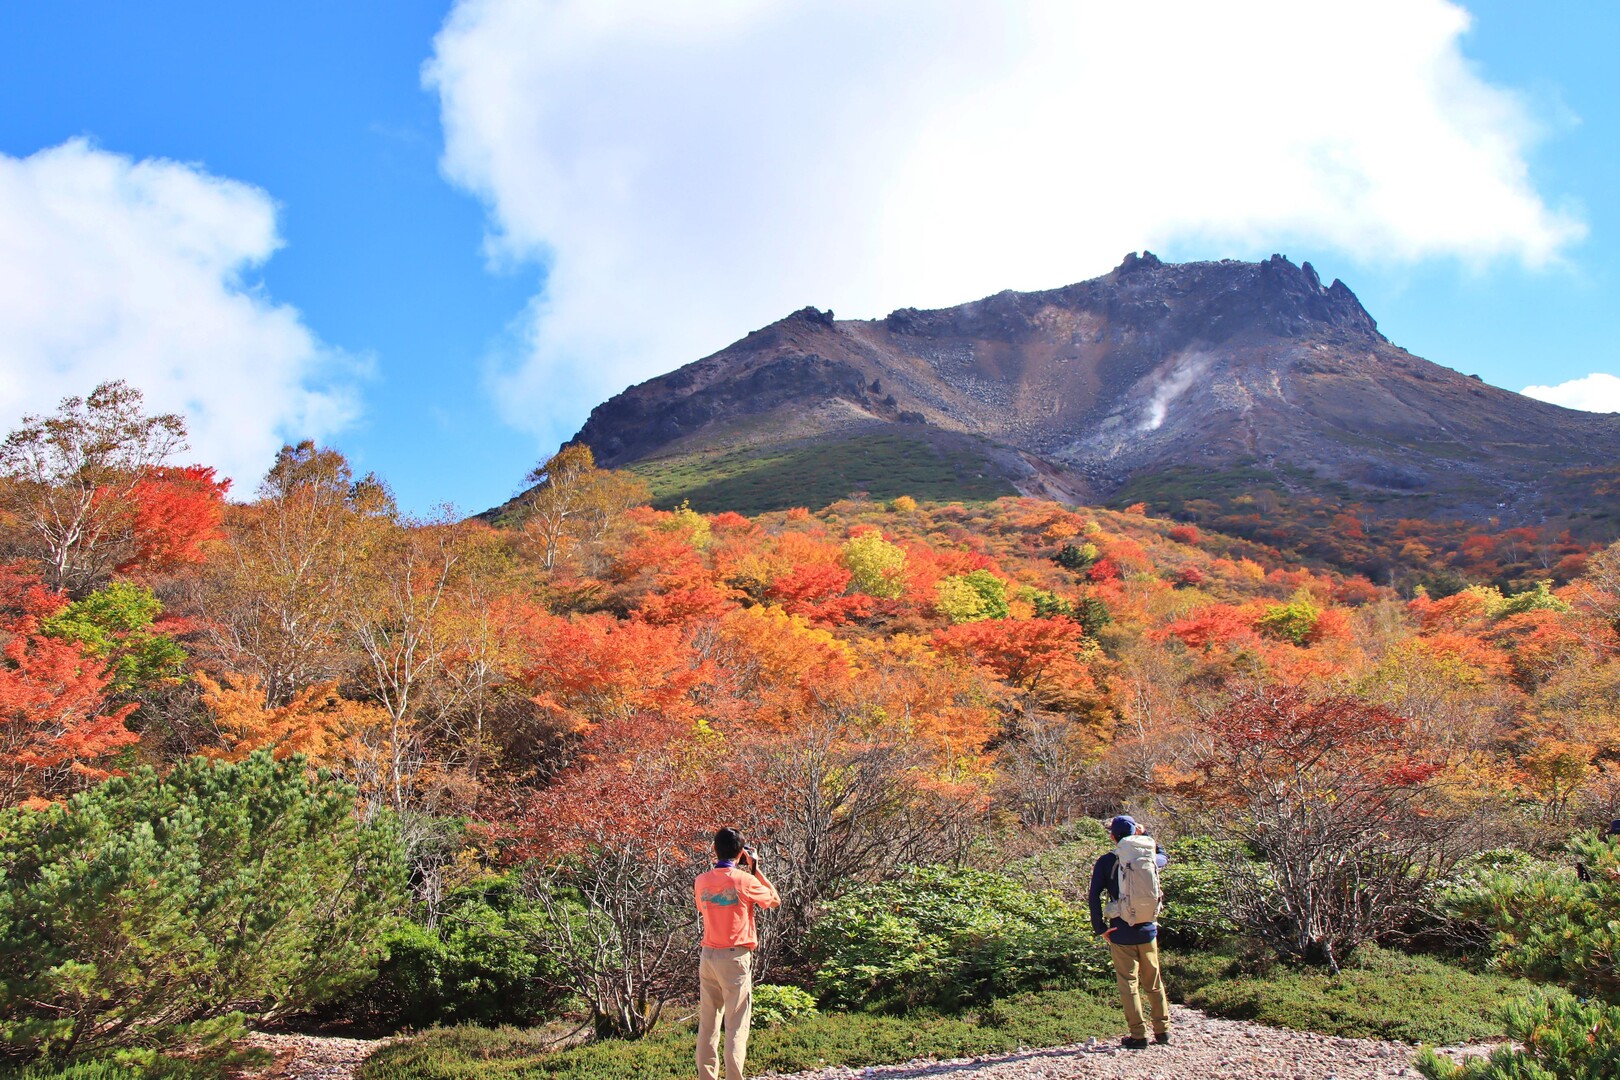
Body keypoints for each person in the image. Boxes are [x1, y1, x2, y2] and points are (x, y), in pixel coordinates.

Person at [694, 827, 781, 1080]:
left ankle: (707, 1077)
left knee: (708, 1023)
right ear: (741, 853)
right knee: (736, 1025)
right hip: (734, 957)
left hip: (708, 954)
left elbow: (703, 908)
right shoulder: (745, 880)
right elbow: (774, 899)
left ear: (714, 849)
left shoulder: (701, 880)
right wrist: (755, 869)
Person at [1089, 815, 1171, 1049]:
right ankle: (1162, 1031)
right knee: (1153, 982)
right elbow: (1164, 855)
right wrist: (1144, 835)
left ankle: (1138, 1035)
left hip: (1120, 930)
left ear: (1113, 837)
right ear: (1135, 833)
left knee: (1128, 984)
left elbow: (1094, 895)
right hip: (1148, 929)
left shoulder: (1106, 861)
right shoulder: (1151, 858)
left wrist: (1101, 928)